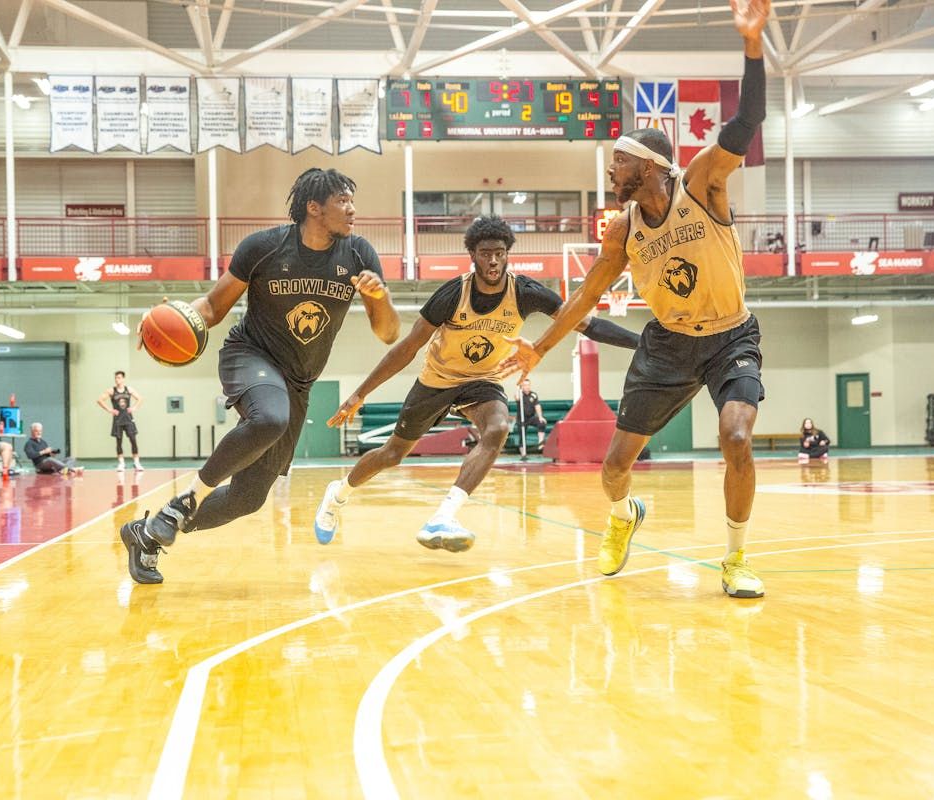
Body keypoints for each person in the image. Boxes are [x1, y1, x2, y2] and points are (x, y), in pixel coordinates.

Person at [499, 0, 770, 599]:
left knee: (737, 437)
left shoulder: (702, 183)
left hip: (731, 335)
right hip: (669, 344)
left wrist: (752, 46)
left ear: (647, 166)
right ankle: (625, 518)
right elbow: (583, 298)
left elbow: (748, 120)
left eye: (618, 160)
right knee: (614, 468)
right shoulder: (622, 229)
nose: (610, 170)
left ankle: (734, 558)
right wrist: (540, 349)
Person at [119, 167, 400, 584]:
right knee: (270, 417)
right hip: (250, 355)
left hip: (299, 381)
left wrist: (381, 297)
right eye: (343, 201)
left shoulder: (359, 255)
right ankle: (184, 501)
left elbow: (388, 333)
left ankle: (148, 535)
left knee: (247, 500)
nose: (353, 209)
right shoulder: (264, 247)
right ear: (314, 208)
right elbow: (213, 307)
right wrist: (170, 318)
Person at [312, 216, 638, 551]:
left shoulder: (525, 292)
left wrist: (642, 343)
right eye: (485, 253)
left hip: (484, 380)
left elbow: (584, 323)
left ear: (507, 253)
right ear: (473, 255)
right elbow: (407, 347)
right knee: (393, 454)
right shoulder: (453, 293)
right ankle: (338, 495)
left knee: (498, 427)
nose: (493, 260)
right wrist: (359, 393)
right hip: (438, 380)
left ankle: (444, 516)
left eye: (499, 252)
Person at [97, 370, 143, 472]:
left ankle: (136, 462)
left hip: (128, 419)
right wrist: (110, 410)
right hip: (118, 420)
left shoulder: (129, 389)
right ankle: (121, 463)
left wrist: (134, 408)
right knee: (119, 442)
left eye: (119, 377)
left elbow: (140, 398)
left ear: (123, 379)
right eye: (116, 378)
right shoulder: (111, 391)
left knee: (133, 440)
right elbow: (99, 400)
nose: (117, 380)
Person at [516, 377, 549, 452]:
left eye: (528, 385)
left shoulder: (533, 395)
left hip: (531, 418)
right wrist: (518, 388)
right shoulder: (520, 394)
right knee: (522, 437)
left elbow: (537, 406)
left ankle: (540, 443)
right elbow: (517, 398)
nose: (527, 387)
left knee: (542, 423)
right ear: (522, 386)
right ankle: (523, 454)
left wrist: (540, 417)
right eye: (524, 385)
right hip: (521, 419)